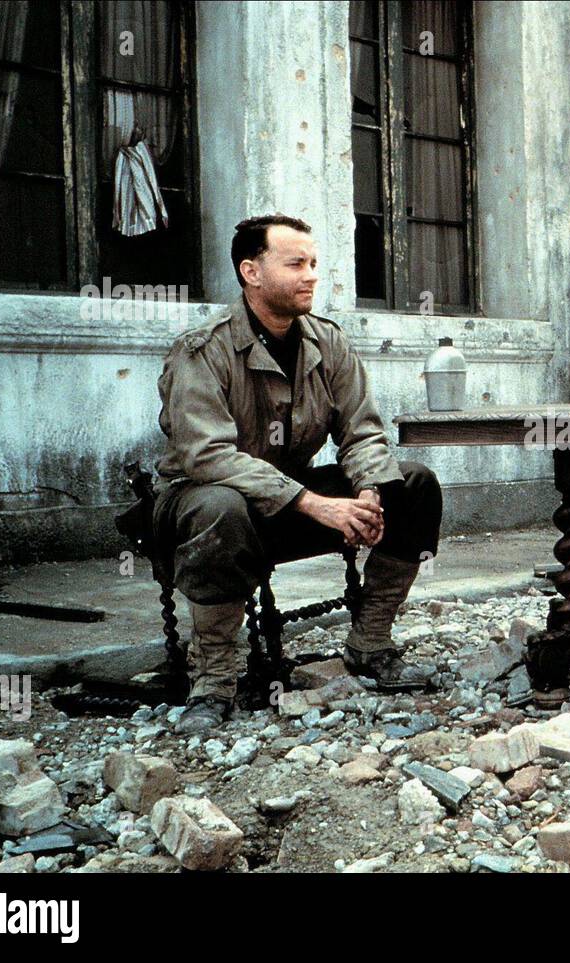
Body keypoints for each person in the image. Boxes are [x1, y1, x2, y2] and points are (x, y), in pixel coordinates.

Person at [152, 214, 442, 734]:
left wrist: (370, 494)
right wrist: (315, 503)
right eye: (295, 264)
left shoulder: (328, 343)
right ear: (251, 272)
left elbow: (362, 431)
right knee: (221, 504)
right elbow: (208, 457)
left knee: (413, 484)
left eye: (313, 264)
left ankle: (370, 643)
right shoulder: (203, 350)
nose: (311, 276)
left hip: (286, 502)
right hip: (200, 505)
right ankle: (214, 681)